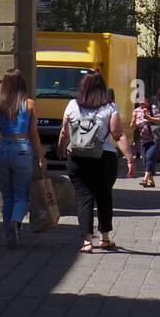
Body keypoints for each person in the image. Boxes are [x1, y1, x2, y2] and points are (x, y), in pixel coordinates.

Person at [58, 70, 133, 252]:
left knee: (84, 198)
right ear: (102, 88)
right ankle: (105, 239)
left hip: (77, 157)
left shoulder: (72, 105)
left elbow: (64, 131)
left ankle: (86, 242)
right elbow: (117, 134)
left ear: (82, 87)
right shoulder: (109, 108)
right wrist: (130, 158)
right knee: (104, 196)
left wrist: (61, 148)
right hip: (104, 158)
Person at [0, 69, 46, 249]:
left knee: (7, 197)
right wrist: (41, 157)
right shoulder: (29, 105)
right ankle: (15, 222)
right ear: (22, 84)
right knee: (21, 195)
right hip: (22, 150)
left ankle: (8, 235)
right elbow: (34, 134)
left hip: (2, 150)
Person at [133, 97, 159, 188]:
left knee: (149, 157)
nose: (141, 105)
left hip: (154, 138)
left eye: (143, 103)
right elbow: (133, 125)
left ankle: (145, 179)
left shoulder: (153, 108)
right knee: (145, 161)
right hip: (143, 139)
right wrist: (133, 124)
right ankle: (152, 181)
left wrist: (149, 118)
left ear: (148, 102)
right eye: (140, 104)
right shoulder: (136, 111)